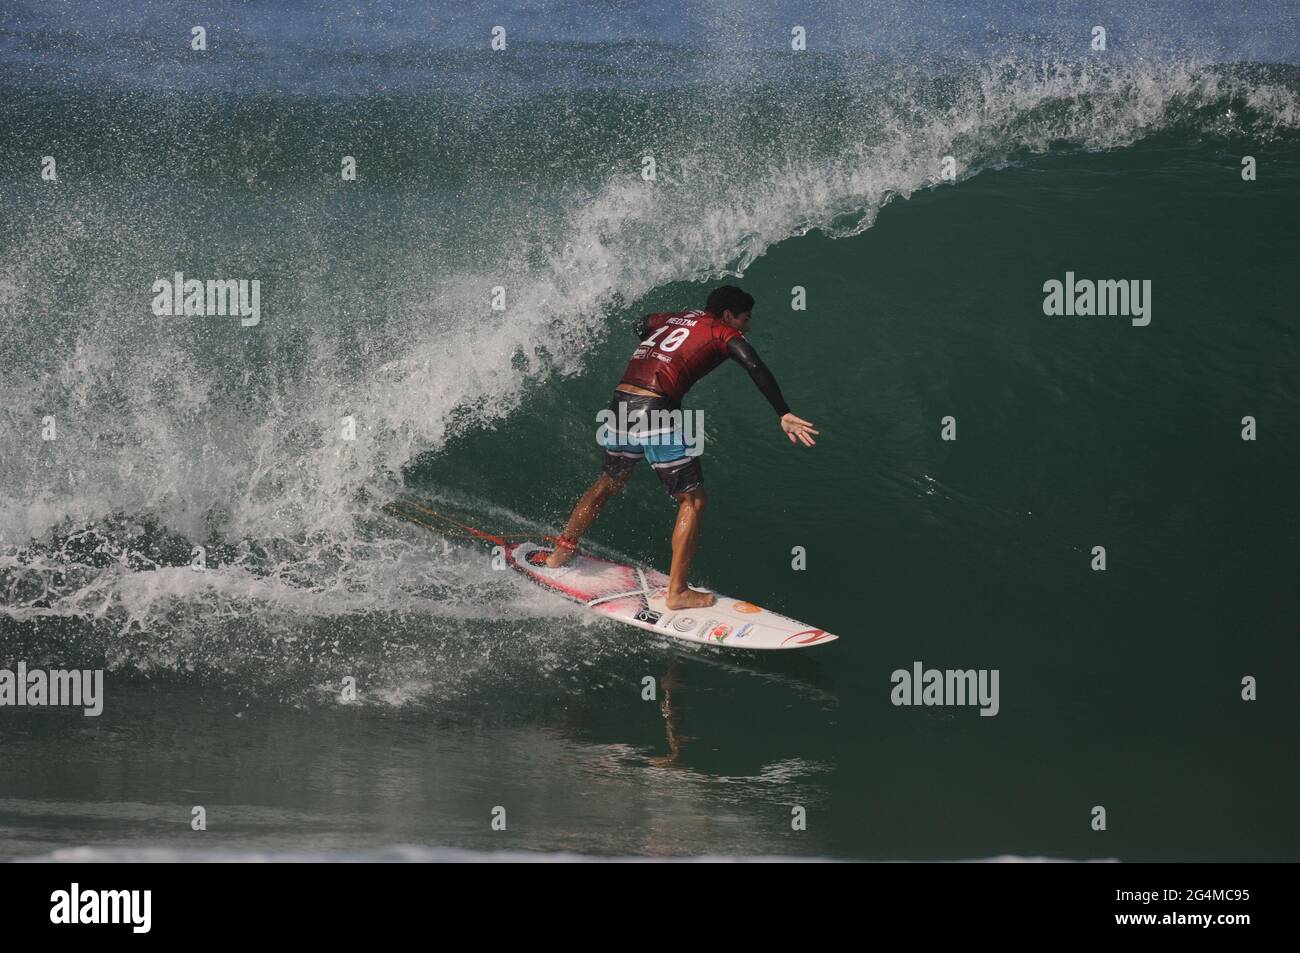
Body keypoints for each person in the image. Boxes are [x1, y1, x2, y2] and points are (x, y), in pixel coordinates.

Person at [545, 285, 818, 610]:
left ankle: (561, 551)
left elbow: (642, 324)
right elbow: (755, 366)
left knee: (610, 481)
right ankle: (677, 592)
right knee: (693, 499)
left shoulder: (678, 318)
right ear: (728, 314)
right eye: (745, 318)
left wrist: (655, 351)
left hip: (620, 402)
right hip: (655, 409)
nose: (748, 326)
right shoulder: (722, 332)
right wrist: (783, 413)